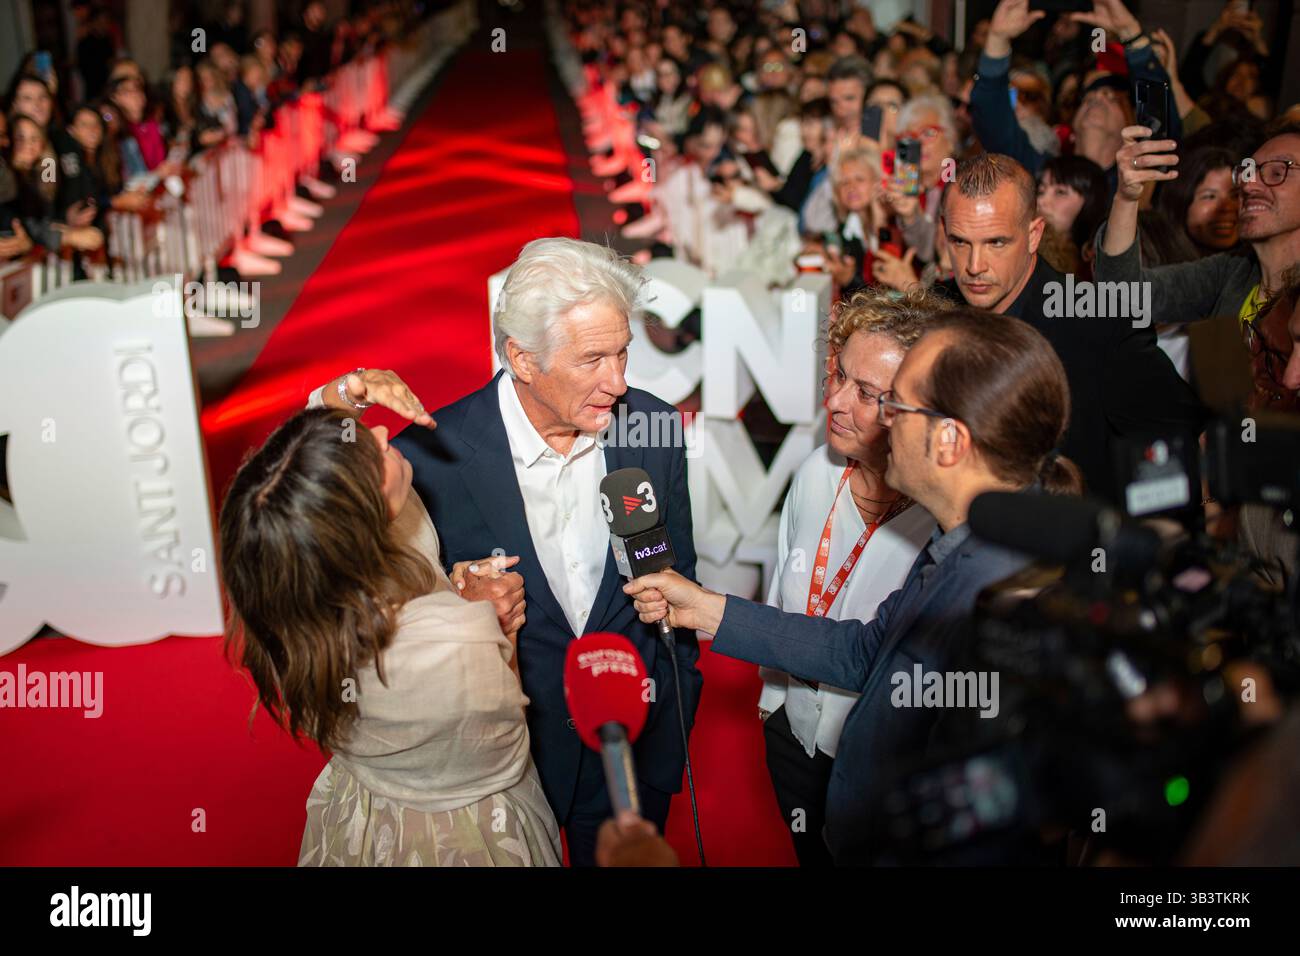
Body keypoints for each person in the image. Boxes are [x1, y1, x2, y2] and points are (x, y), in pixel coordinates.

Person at [626, 309, 1083, 864]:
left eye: (895, 405)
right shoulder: (962, 547)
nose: (881, 421)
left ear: (949, 442)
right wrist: (703, 608)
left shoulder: (998, 605)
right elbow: (867, 650)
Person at [306, 238, 702, 867]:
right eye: (593, 359)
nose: (618, 381)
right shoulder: (435, 457)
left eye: (624, 353)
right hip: (509, 762)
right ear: (522, 357)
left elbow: (677, 584)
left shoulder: (651, 429)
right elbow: (310, 521)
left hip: (629, 752)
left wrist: (662, 754)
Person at [219, 407, 560, 866]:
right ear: (360, 515)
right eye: (370, 454)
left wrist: (347, 391)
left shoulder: (298, 582)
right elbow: (502, 750)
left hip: (366, 801)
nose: (381, 432)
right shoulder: (455, 641)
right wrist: (494, 622)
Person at [759, 288, 945, 866]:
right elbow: (783, 594)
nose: (835, 402)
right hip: (793, 735)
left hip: (881, 766)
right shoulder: (817, 471)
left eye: (866, 393)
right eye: (839, 376)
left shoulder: (943, 520)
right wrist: (771, 709)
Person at [938, 152, 1205, 502]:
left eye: (996, 242)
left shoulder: (1097, 322)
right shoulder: (936, 309)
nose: (974, 266)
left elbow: (1179, 439)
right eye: (960, 241)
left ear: (1034, 235)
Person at [1095, 120, 1300, 351]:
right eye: (1247, 172)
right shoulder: (1232, 273)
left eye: (1277, 172)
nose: (1249, 185)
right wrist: (1126, 197)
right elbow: (1120, 295)